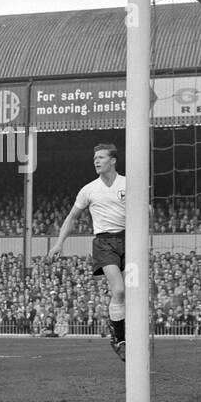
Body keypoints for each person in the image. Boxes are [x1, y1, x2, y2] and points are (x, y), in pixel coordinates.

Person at [49, 143, 127, 360]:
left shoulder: (127, 183)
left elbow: (145, 209)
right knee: (119, 290)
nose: (96, 161)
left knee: (133, 295)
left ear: (113, 160)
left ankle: (130, 336)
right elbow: (72, 217)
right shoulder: (89, 189)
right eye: (95, 158)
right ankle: (119, 338)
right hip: (104, 243)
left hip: (129, 239)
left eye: (101, 157)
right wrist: (59, 244)